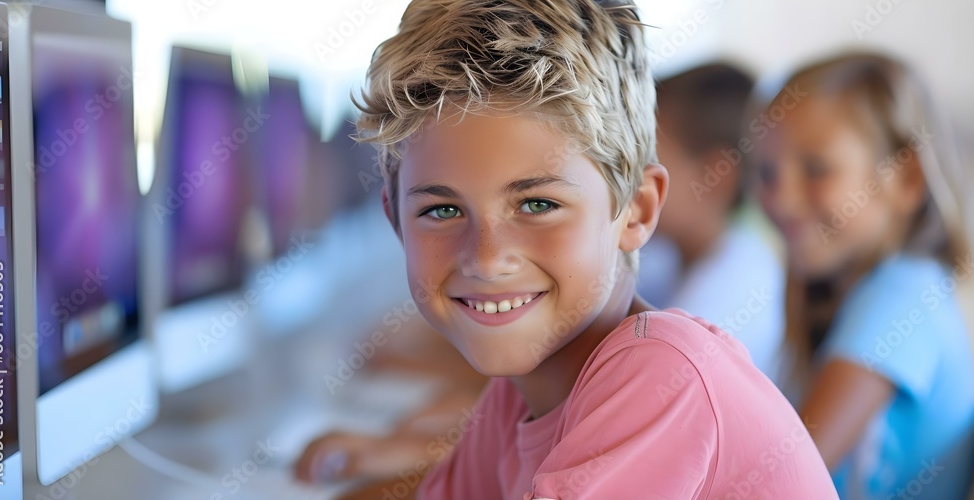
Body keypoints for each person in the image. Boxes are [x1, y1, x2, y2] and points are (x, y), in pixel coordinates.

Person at [335, 0, 839, 498]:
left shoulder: (664, 372)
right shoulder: (515, 397)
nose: (487, 260)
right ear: (396, 222)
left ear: (636, 210)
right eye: (443, 211)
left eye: (537, 204)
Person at [752, 52, 974, 499]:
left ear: (907, 180)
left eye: (816, 170)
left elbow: (781, 481)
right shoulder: (866, 293)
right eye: (767, 173)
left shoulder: (902, 293)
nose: (782, 200)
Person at [637, 63, 786, 381]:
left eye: (647, 157)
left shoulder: (740, 279)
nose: (628, 174)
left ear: (714, 176)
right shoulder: (663, 258)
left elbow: (656, 377)